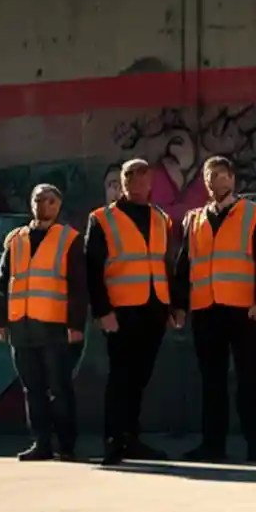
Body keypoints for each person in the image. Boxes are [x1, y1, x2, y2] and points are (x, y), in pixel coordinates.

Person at [172, 156, 256, 463]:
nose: (214, 181)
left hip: (243, 309)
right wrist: (180, 306)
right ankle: (212, 445)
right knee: (211, 381)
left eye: (220, 175)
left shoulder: (253, 214)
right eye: (209, 176)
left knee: (250, 379)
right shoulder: (194, 219)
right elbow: (183, 265)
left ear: (232, 179)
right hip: (206, 309)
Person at [86, 158, 175, 466]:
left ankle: (131, 438)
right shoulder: (102, 218)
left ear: (150, 182)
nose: (135, 181)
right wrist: (103, 311)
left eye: (141, 176)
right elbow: (93, 269)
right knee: (120, 376)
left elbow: (166, 263)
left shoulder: (161, 218)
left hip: (154, 308)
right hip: (121, 311)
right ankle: (113, 441)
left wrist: (174, 305)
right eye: (129, 176)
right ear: (122, 182)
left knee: (140, 378)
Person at [0, 184, 87, 461]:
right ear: (31, 203)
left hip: (55, 326)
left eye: (50, 200)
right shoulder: (16, 239)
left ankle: (67, 446)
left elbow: (79, 286)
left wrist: (76, 325)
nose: (44, 204)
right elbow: (3, 281)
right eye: (38, 199)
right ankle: (41, 443)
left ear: (59, 205)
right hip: (21, 325)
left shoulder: (69, 239)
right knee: (32, 389)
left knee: (59, 387)